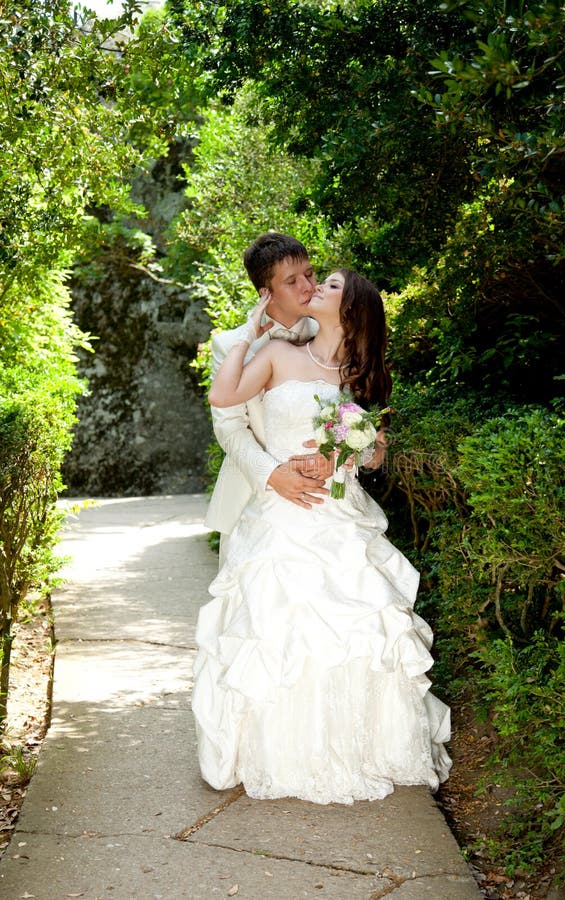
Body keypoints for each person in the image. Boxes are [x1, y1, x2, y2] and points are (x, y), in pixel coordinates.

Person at [192, 268, 452, 805]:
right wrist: (250, 327)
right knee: (278, 628)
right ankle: (279, 750)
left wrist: (355, 450)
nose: (313, 289)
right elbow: (224, 404)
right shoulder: (277, 352)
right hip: (280, 512)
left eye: (327, 285)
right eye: (311, 280)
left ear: (350, 310)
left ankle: (360, 747)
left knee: (360, 626)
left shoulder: (359, 376)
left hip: (339, 513)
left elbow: (370, 451)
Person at [205, 233, 334, 562]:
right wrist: (272, 474)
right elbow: (230, 428)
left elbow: (357, 411)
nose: (308, 286)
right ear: (266, 293)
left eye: (309, 273)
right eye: (292, 281)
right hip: (256, 499)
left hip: (328, 500)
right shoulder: (230, 346)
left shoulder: (333, 333)